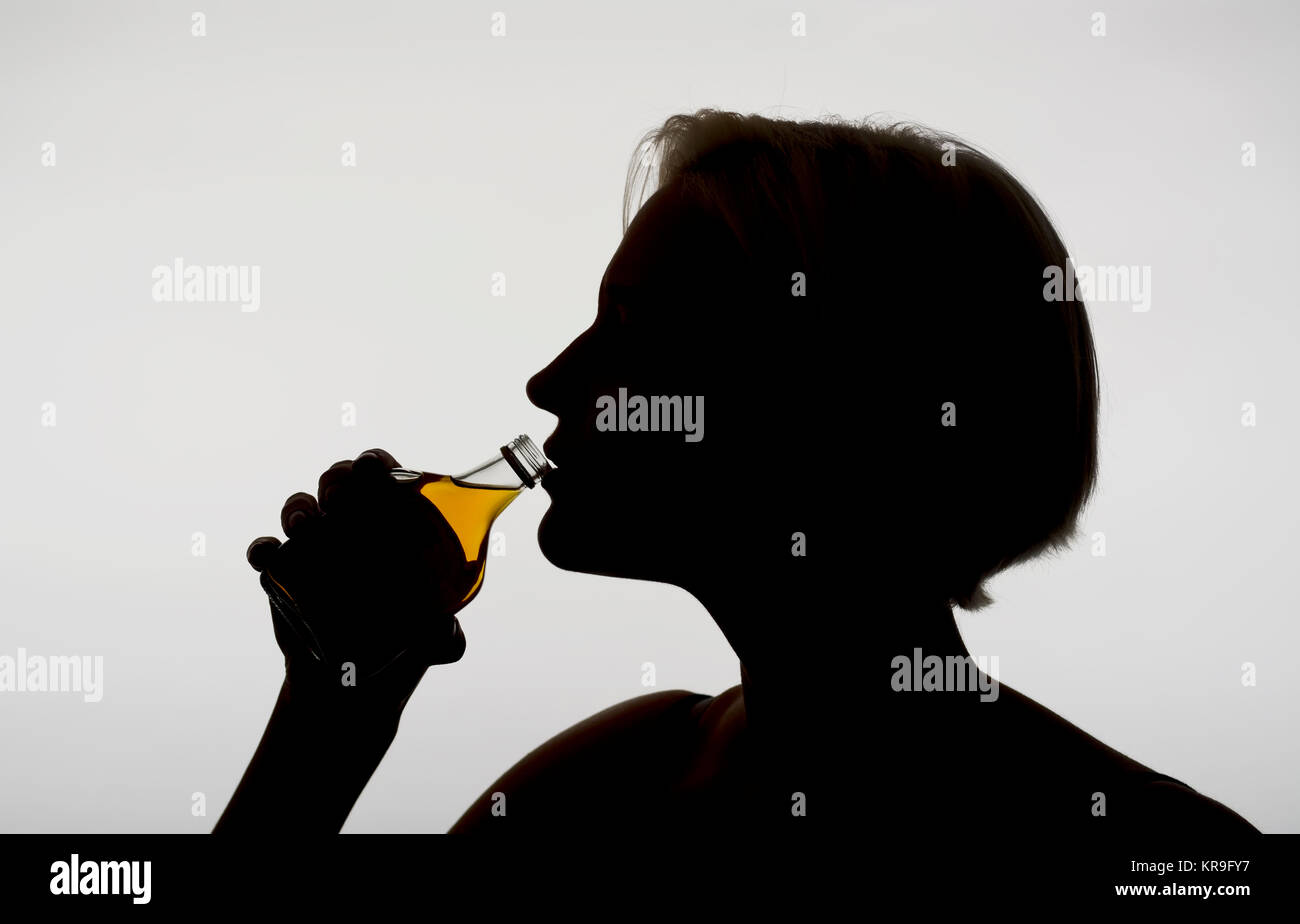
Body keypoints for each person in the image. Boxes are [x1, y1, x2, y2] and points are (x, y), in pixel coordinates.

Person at [214, 109, 1258, 835]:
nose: (550, 381)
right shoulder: (620, 769)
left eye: (632, 328)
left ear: (838, 393)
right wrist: (330, 718)